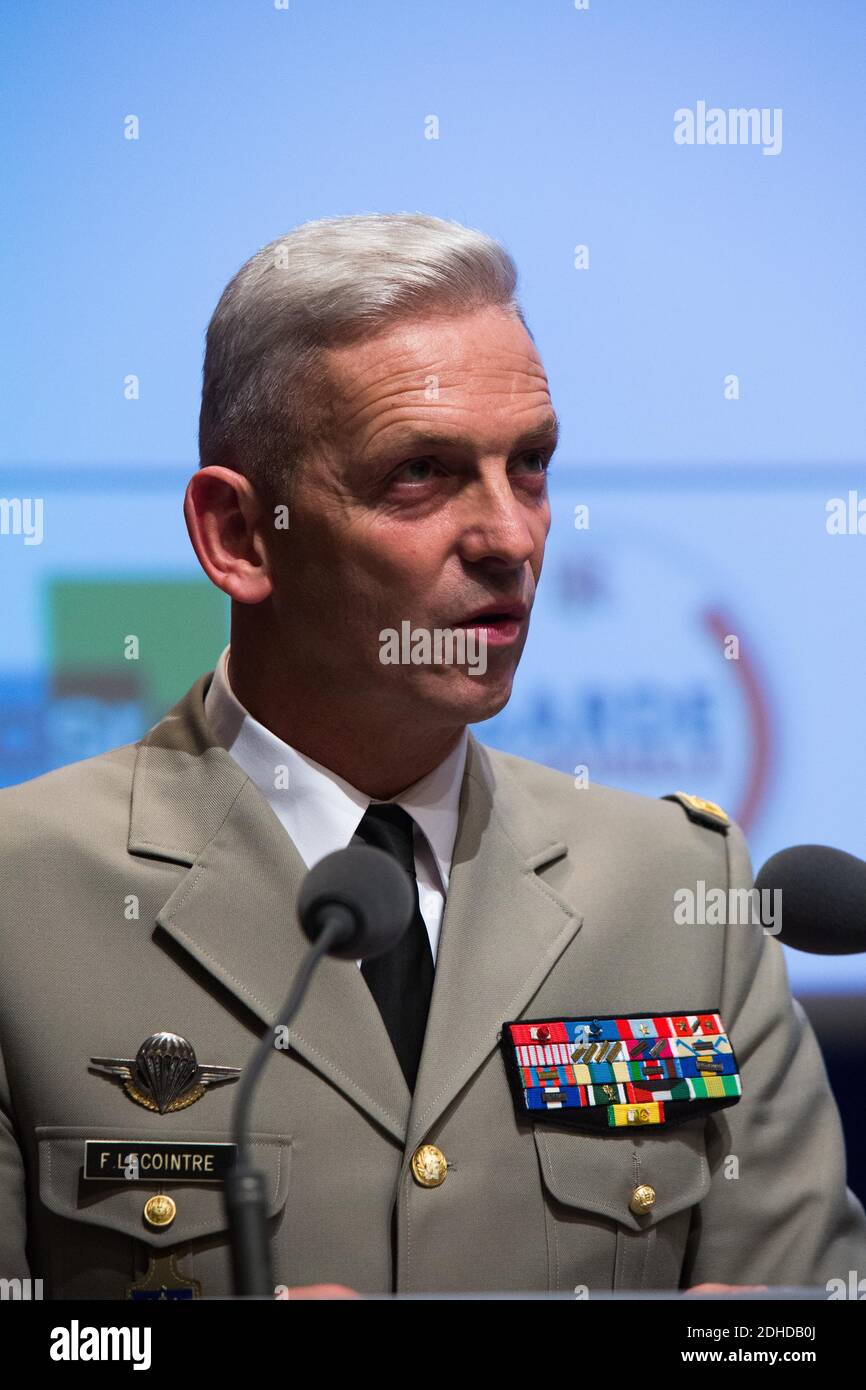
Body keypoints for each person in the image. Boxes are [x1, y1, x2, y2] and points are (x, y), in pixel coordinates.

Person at [1, 212, 864, 1300]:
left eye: (532, 466)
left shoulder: (682, 892)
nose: (509, 536)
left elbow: (805, 1312)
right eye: (420, 473)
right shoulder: (19, 896)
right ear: (237, 535)